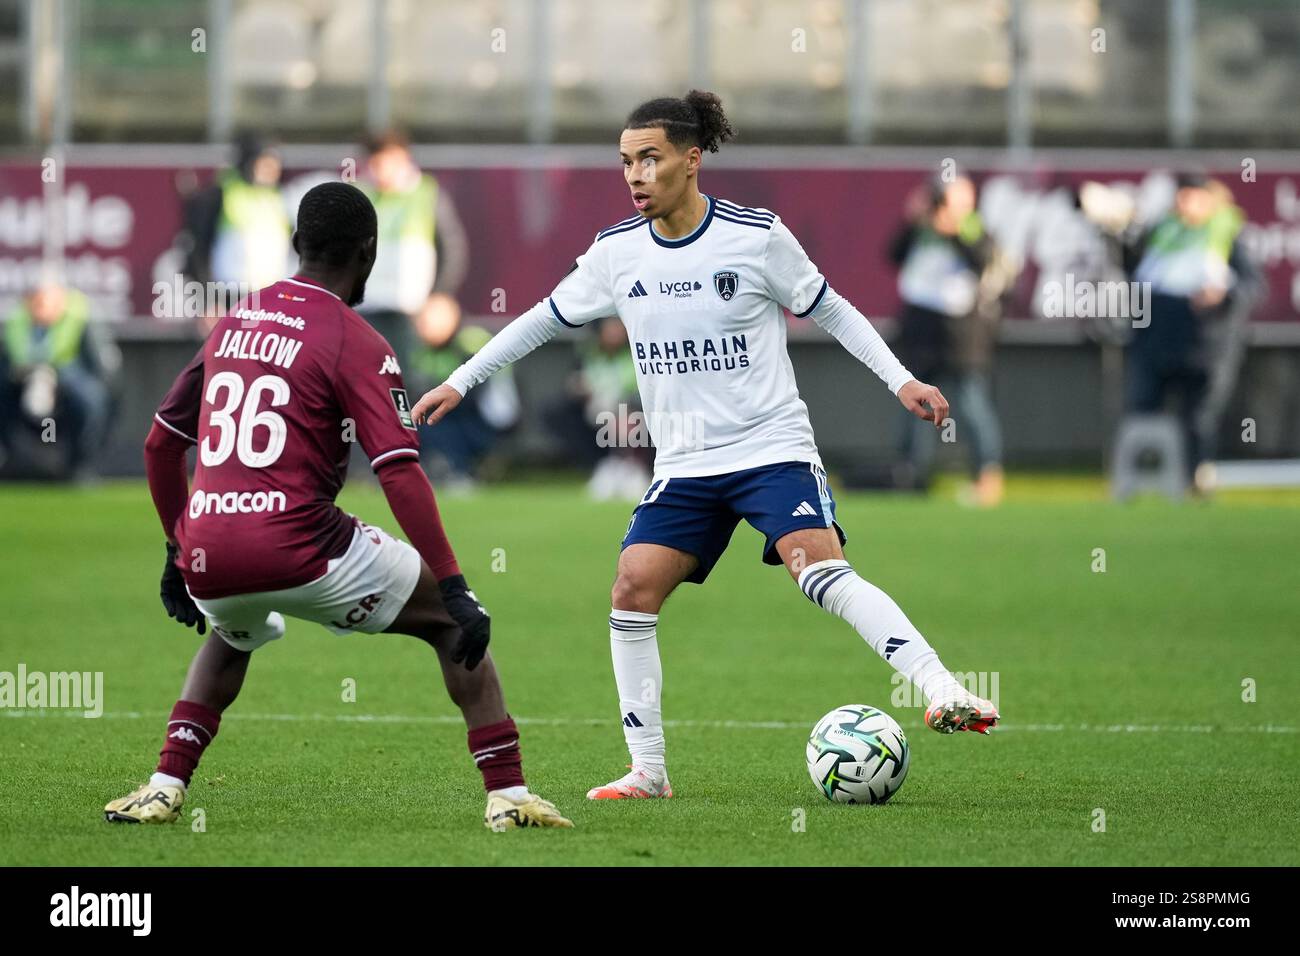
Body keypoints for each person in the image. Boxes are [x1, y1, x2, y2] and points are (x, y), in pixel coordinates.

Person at [412, 91, 1000, 801]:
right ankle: (649, 771)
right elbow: (540, 318)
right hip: (687, 465)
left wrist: (901, 381)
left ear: (691, 161)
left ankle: (942, 690)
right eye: (626, 161)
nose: (634, 174)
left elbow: (833, 307)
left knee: (814, 567)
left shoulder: (755, 237)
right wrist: (464, 381)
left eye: (650, 158)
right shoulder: (616, 252)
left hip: (770, 448)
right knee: (632, 588)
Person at [104, 183, 570, 831]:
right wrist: (456, 583)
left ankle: (163, 785)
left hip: (209, 554)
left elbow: (160, 443)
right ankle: (509, 796)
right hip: (304, 546)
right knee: (453, 625)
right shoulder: (359, 340)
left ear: (296, 245)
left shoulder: (237, 319)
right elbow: (399, 472)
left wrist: (175, 551)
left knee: (231, 631)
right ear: (368, 253)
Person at [1123, 172, 1260, 490]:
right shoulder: (1162, 233)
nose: (1183, 205)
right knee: (1142, 411)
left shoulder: (1226, 236)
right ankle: (1139, 481)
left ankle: (1197, 478)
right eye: (1180, 197)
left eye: (1191, 197)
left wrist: (1222, 296)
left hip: (1205, 345)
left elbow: (1252, 286)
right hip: (1156, 341)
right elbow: (1136, 275)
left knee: (1197, 420)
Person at [888, 175, 1007, 505]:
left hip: (961, 331)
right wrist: (914, 220)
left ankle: (987, 475)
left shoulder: (972, 227)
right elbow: (893, 254)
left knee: (970, 402)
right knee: (915, 401)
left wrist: (953, 229)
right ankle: (911, 473)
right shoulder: (921, 229)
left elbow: (982, 260)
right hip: (922, 328)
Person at [356, 129, 470, 375]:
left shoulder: (426, 193)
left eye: (386, 161)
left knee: (407, 381)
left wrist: (440, 296)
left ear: (403, 158)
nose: (380, 170)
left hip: (411, 312)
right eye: (375, 163)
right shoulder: (363, 196)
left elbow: (452, 248)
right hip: (366, 310)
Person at [0, 282, 119, 479]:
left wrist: (57, 379)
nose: (40, 310)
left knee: (90, 401)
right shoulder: (17, 323)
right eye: (35, 303)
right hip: (22, 385)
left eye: (45, 303)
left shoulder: (79, 319)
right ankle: (11, 459)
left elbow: (101, 372)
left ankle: (79, 465)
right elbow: (7, 364)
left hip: (68, 385)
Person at [409, 297, 519, 489]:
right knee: (419, 419)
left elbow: (472, 392)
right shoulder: (425, 349)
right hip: (459, 414)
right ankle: (436, 468)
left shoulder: (472, 339)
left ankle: (459, 470)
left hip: (489, 415)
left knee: (438, 418)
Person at [181, 133, 292, 301]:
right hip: (230, 295)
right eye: (265, 164)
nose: (271, 171)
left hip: (271, 296)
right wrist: (208, 301)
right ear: (249, 163)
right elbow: (198, 249)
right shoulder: (219, 195)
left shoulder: (278, 198)